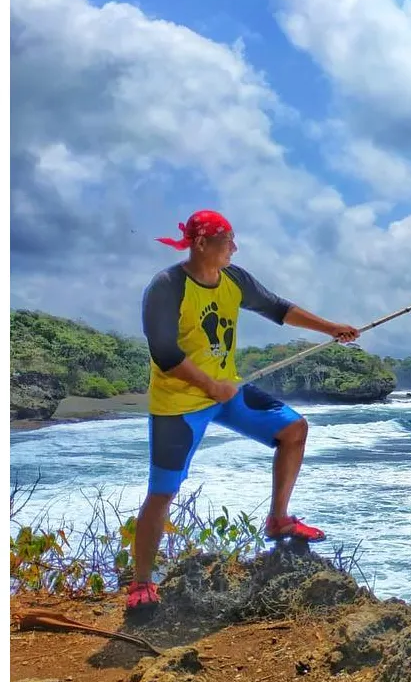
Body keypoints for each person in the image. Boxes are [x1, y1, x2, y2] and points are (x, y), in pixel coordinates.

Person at [127, 210, 360, 611]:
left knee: (293, 429)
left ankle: (279, 518)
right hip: (180, 404)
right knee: (162, 493)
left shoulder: (235, 280)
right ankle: (141, 583)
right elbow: (164, 354)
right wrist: (210, 386)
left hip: (225, 392)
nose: (235, 247)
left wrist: (331, 328)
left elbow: (278, 308)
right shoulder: (167, 287)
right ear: (201, 244)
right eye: (227, 240)